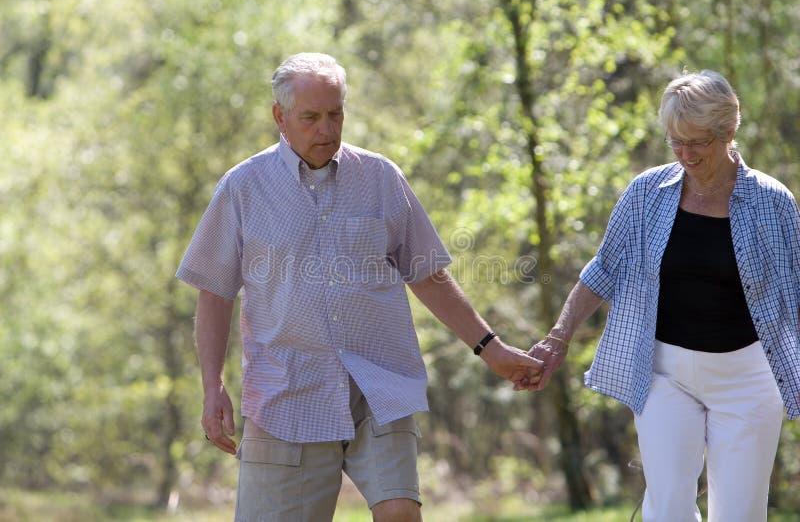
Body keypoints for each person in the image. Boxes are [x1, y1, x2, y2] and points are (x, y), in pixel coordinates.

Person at [176, 52, 543, 522]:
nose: (326, 129)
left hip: (379, 385)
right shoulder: (242, 189)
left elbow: (428, 275)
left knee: (399, 514)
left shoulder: (381, 179)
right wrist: (213, 387)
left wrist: (490, 349)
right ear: (279, 117)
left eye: (336, 114)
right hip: (287, 396)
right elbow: (214, 292)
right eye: (311, 117)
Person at [528, 70, 800, 522]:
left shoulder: (772, 201)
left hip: (748, 377)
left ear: (728, 133)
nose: (685, 155)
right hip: (663, 372)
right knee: (668, 507)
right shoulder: (646, 194)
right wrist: (558, 338)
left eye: (697, 143)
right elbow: (604, 270)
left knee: (740, 514)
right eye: (676, 141)